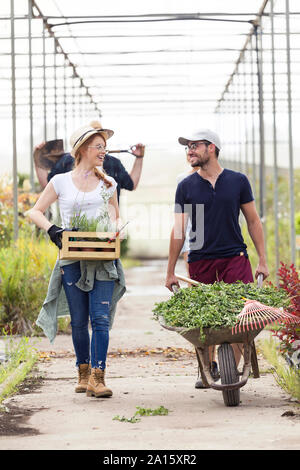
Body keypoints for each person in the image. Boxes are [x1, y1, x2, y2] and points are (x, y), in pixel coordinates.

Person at [28, 121, 127, 398]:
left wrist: (117, 228)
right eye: (98, 146)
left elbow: (115, 215)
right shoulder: (60, 181)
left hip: (102, 259)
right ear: (82, 149)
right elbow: (35, 211)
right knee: (79, 320)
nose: (103, 151)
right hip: (71, 259)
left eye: (104, 147)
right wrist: (53, 229)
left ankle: (98, 376)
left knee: (101, 319)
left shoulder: (109, 183)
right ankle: (83, 371)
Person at [165, 129, 269, 388]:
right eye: (186, 146)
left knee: (240, 319)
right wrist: (170, 271)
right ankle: (207, 366)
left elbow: (253, 221)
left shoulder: (238, 181)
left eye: (194, 145)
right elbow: (179, 231)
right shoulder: (186, 187)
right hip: (200, 260)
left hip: (235, 256)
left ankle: (229, 368)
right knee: (206, 321)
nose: (189, 150)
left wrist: (263, 260)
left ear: (211, 148)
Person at [34, 122, 145, 202]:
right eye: (98, 145)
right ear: (84, 147)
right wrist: (38, 158)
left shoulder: (113, 167)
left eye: (102, 145)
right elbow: (47, 185)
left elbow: (131, 184)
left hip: (105, 232)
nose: (102, 151)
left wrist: (139, 158)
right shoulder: (66, 163)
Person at [176, 154, 200, 277]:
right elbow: (180, 208)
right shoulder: (182, 179)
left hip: (209, 228)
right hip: (190, 229)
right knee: (192, 275)